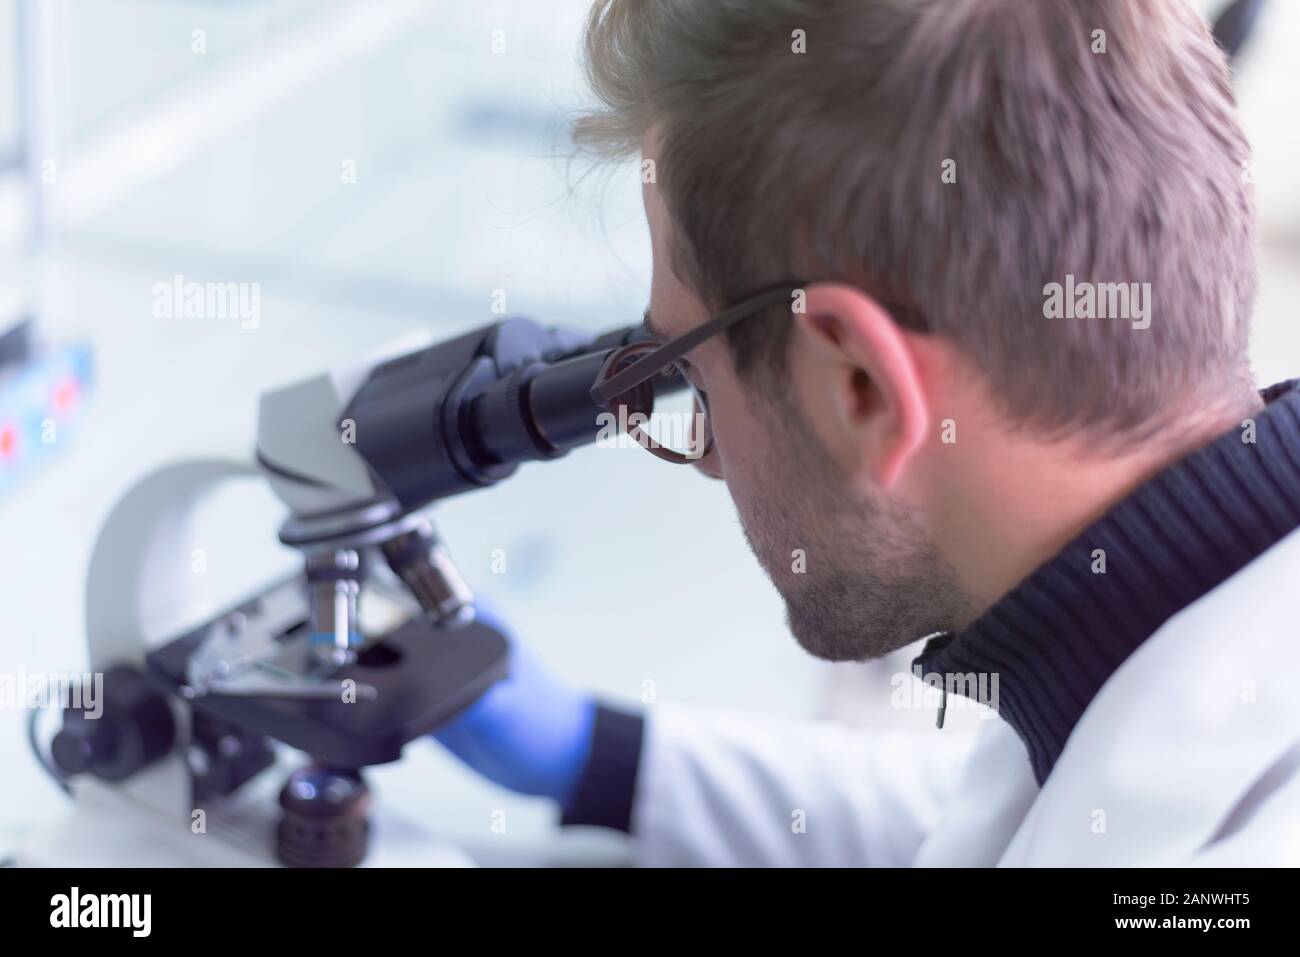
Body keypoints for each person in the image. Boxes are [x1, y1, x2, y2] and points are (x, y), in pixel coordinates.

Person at [436, 0, 1300, 865]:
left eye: (693, 374)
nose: (704, 457)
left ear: (861, 387)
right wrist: (599, 758)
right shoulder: (1125, 656)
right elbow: (982, 821)